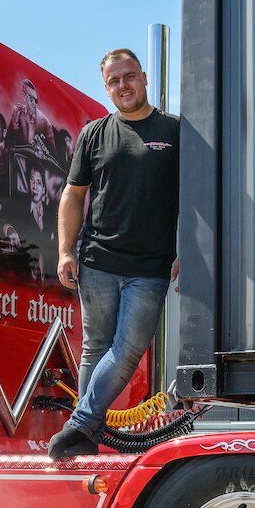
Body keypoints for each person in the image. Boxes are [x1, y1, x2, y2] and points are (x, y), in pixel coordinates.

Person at [48, 48, 179, 459]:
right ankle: (85, 439)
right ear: (106, 88)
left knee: (127, 350)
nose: (123, 86)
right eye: (113, 81)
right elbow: (72, 194)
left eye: (128, 77)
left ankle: (79, 424)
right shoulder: (94, 133)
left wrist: (191, 250)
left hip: (150, 267)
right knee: (95, 348)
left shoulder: (175, 131)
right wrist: (65, 251)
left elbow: (195, 199)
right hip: (98, 262)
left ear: (143, 77)